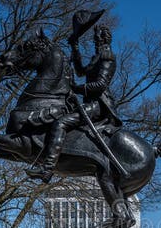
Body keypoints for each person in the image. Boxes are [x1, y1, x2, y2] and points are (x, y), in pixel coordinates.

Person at [25, 23, 121, 183]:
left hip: (99, 104)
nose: (94, 38)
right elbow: (81, 71)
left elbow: (101, 85)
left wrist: (77, 88)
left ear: (104, 37)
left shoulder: (107, 55)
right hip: (90, 102)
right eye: (95, 35)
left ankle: (47, 169)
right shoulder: (97, 57)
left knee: (61, 123)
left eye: (97, 35)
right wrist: (75, 47)